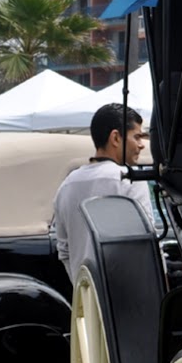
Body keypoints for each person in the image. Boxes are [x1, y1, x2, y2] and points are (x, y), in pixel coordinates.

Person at [51, 104, 154, 278]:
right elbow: (148, 241)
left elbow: (64, 250)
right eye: (136, 137)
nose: (141, 145)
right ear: (115, 138)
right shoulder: (129, 180)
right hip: (130, 291)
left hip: (86, 298)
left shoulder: (66, 186)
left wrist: (82, 286)